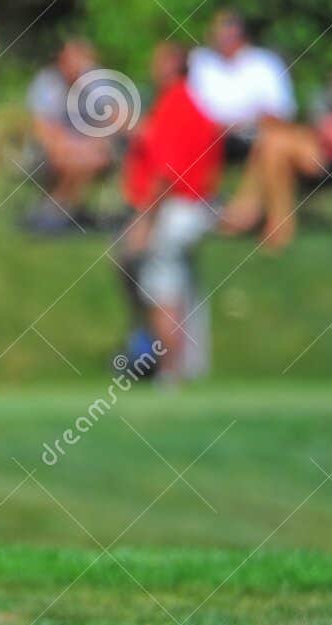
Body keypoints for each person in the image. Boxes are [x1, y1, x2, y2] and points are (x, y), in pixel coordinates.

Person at [116, 42, 227, 386]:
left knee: (161, 289)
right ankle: (190, 365)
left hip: (174, 208)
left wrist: (145, 221)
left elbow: (166, 174)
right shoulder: (190, 104)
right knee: (181, 289)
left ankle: (168, 372)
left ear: (172, 66)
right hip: (195, 208)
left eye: (158, 60)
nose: (152, 67)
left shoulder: (174, 104)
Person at [220, 70, 332, 250]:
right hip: (318, 155)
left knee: (274, 144)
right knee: (271, 144)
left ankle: (250, 215)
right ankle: (266, 221)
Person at [24, 38, 115, 228]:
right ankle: (60, 210)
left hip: (86, 149)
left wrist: (95, 144)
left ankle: (56, 211)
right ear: (62, 61)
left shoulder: (96, 83)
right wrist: (78, 149)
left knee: (92, 159)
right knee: (74, 160)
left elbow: (113, 120)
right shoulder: (47, 84)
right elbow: (46, 134)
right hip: (52, 149)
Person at [186, 9, 295, 152]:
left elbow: (280, 112)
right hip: (209, 139)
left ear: (241, 31)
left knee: (277, 144)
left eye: (229, 25)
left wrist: (245, 125)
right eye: (220, 26)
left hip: (257, 137)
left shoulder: (265, 62)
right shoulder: (201, 62)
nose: (225, 33)